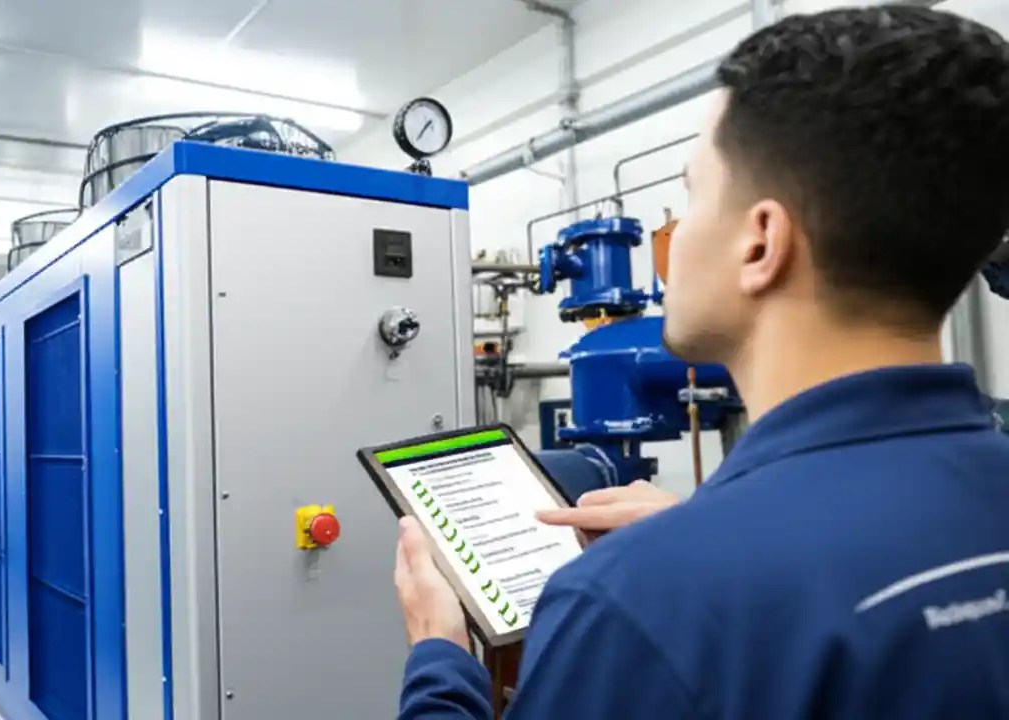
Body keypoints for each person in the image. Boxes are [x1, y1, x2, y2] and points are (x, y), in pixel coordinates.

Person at [393, 6, 1009, 719]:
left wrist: (440, 660)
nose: (676, 238)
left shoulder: (635, 607)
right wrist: (699, 528)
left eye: (692, 194)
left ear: (760, 243)